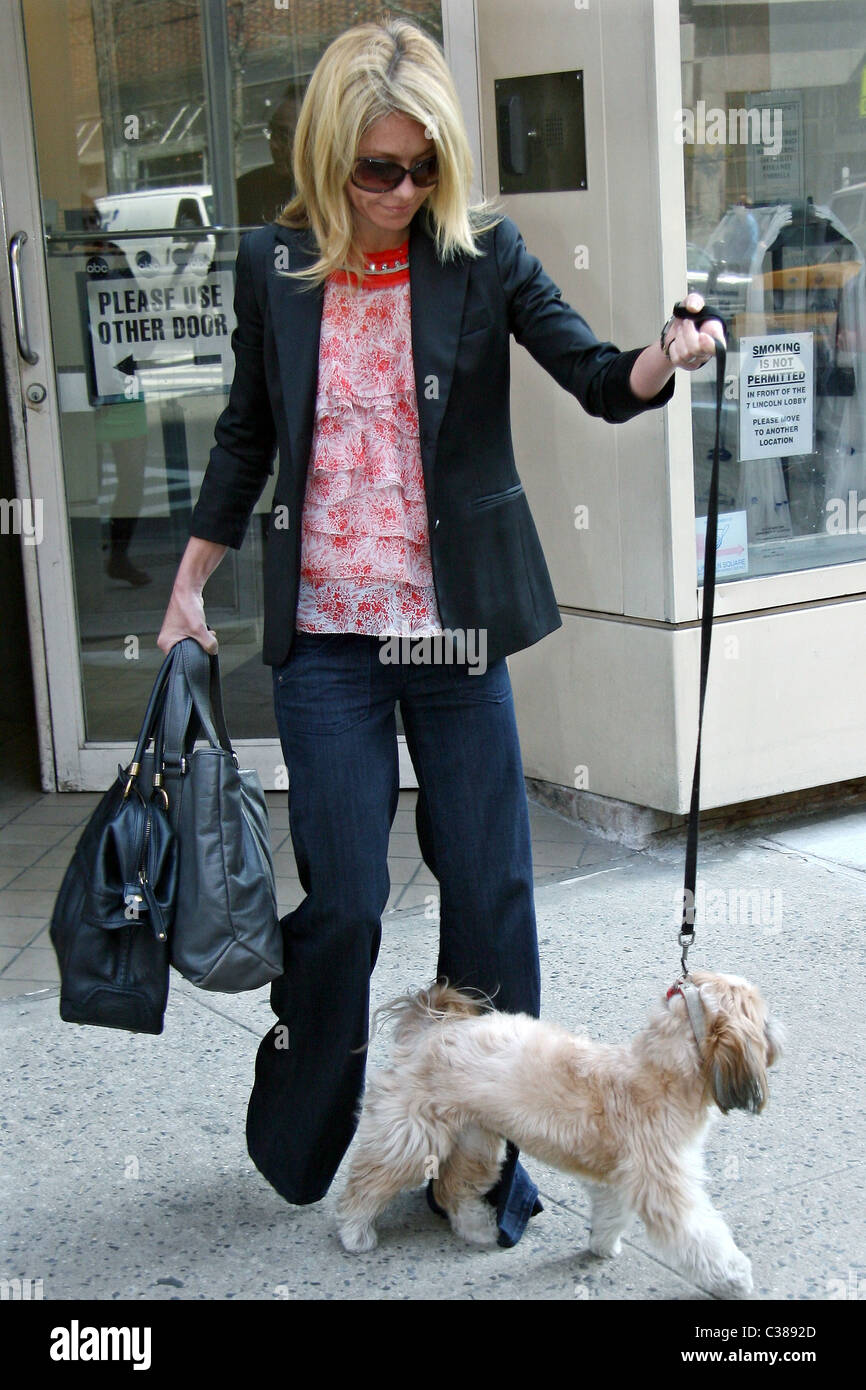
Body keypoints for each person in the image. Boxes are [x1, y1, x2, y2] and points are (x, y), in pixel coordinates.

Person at [157, 17, 724, 1248]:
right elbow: (248, 431)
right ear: (327, 158)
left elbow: (588, 369)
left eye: (423, 168)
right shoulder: (274, 265)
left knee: (489, 901)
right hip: (332, 643)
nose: (403, 191)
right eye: (377, 169)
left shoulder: (476, 254)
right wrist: (190, 579)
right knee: (348, 903)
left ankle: (481, 1172)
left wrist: (660, 358)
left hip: (450, 637)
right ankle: (310, 1124)